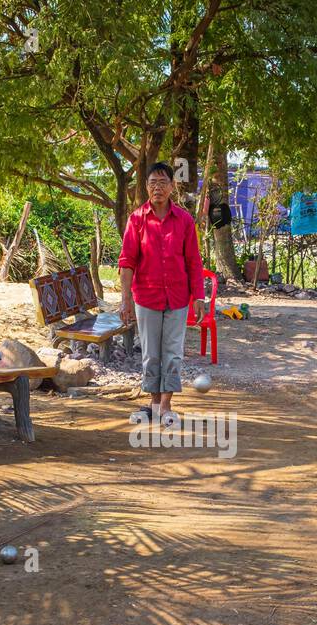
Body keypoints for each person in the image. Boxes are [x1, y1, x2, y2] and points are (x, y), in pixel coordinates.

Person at [118, 162, 206, 429]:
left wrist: (198, 297)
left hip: (178, 297)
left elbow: (193, 261)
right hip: (146, 297)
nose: (158, 187)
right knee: (151, 354)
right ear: (146, 187)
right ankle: (154, 402)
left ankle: (166, 404)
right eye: (153, 182)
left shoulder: (184, 220)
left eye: (163, 182)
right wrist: (125, 300)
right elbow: (127, 262)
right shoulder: (136, 219)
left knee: (173, 352)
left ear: (172, 186)